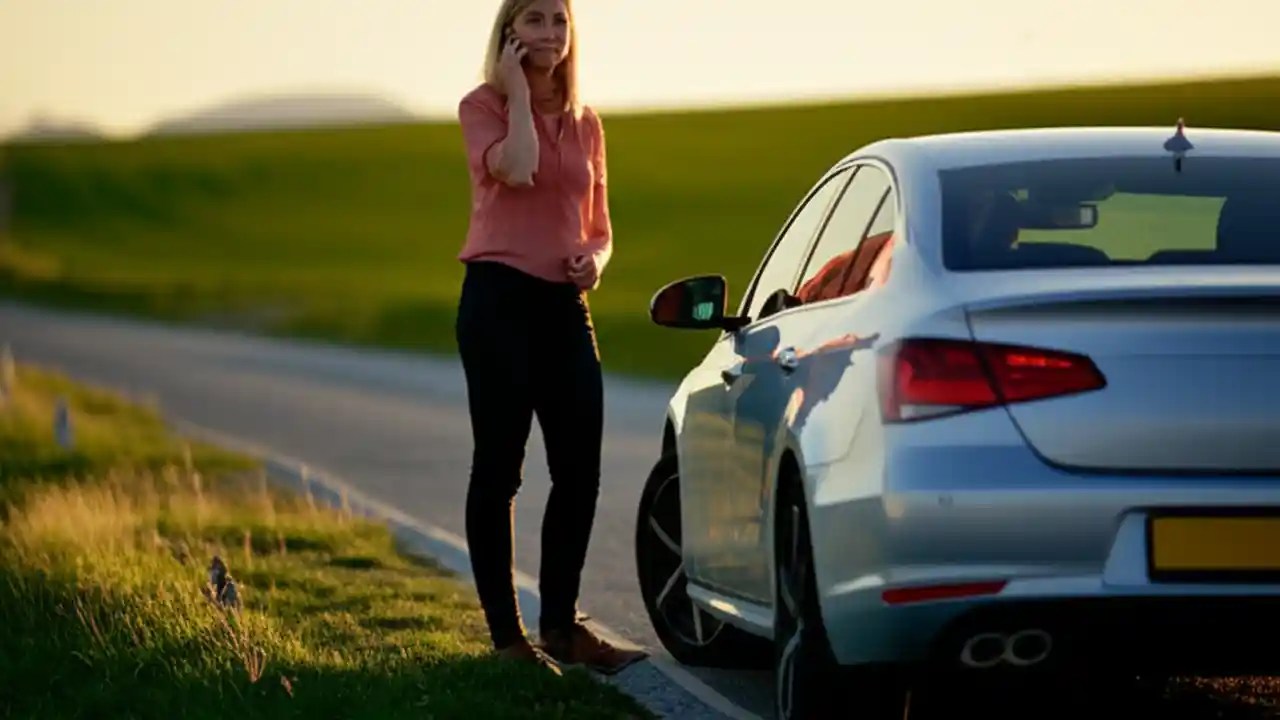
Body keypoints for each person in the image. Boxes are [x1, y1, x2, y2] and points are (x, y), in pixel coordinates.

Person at [453, 0, 648, 676]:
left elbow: (601, 225)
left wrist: (596, 261)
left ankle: (562, 628)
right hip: (498, 303)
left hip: (565, 306)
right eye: (534, 20)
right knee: (500, 471)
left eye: (559, 21)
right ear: (509, 34)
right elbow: (519, 169)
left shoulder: (588, 122)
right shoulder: (481, 106)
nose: (550, 34)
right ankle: (508, 641)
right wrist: (514, 93)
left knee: (580, 471)